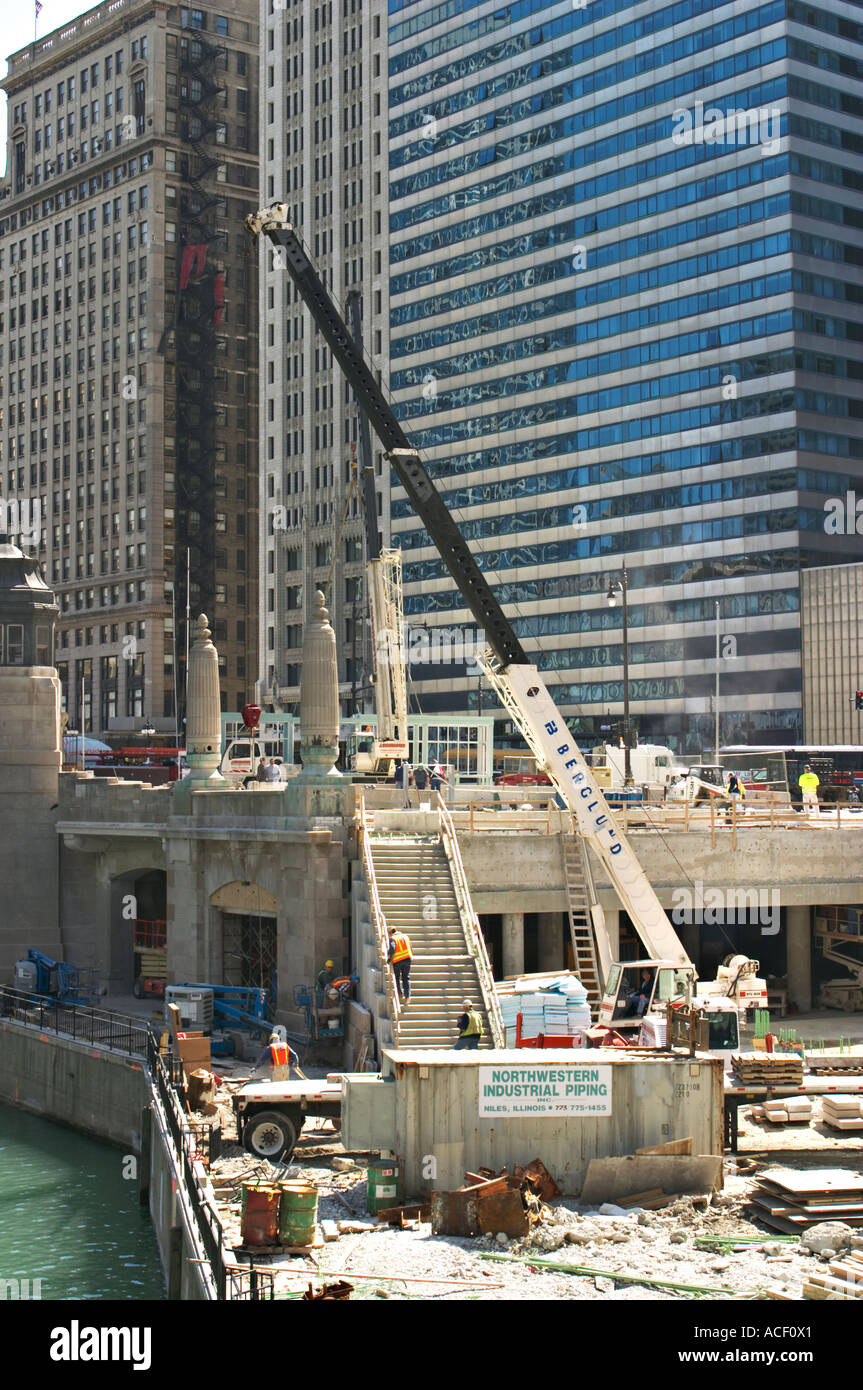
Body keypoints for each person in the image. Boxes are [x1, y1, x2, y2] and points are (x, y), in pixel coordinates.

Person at [387, 929, 413, 1002]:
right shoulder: (406, 937)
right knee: (406, 977)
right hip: (407, 959)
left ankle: (399, 994)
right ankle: (407, 996)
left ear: (390, 933)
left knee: (396, 978)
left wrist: (389, 959)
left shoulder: (393, 938)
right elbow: (410, 947)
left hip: (397, 961)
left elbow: (392, 948)